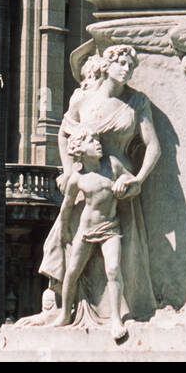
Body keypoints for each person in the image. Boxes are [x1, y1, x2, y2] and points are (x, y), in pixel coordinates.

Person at [38, 44, 160, 325]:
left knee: (121, 263)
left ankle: (119, 315)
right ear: (107, 64)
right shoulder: (83, 99)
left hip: (119, 185)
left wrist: (138, 179)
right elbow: (63, 133)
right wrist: (69, 172)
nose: (126, 69)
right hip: (87, 183)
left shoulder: (137, 102)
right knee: (76, 263)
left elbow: (153, 146)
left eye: (131, 65)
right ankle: (70, 313)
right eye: (121, 63)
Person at [53, 127, 134, 342]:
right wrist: (63, 230)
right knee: (72, 272)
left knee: (114, 269)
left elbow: (136, 186)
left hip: (110, 228)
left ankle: (116, 319)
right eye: (91, 141)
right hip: (85, 231)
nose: (98, 143)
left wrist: (124, 183)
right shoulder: (78, 179)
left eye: (97, 139)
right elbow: (66, 207)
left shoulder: (113, 165)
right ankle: (64, 314)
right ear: (79, 150)